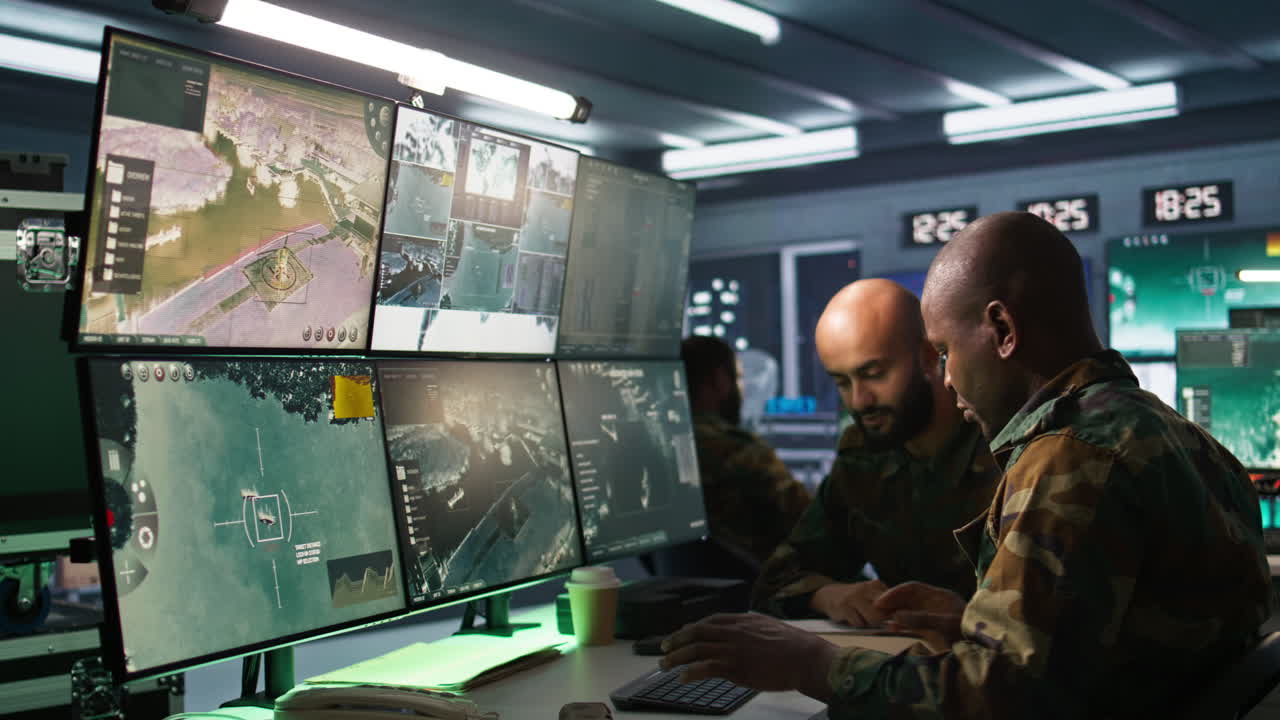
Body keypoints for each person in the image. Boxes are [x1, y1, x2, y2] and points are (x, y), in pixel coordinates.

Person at [661, 212, 1273, 718]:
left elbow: (995, 701)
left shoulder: (1068, 458)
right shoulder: (1174, 433)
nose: (947, 375)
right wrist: (972, 623)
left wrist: (811, 663)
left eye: (948, 351)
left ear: (1003, 329)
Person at [752, 278, 1001, 625]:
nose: (859, 401)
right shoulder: (865, 458)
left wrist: (966, 620)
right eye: (842, 382)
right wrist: (829, 595)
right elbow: (776, 579)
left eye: (874, 374)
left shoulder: (1004, 450)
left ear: (929, 356)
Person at [680, 335, 811, 569]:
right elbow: (812, 522)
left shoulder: (662, 446)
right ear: (720, 380)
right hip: (770, 590)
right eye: (738, 378)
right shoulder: (738, 450)